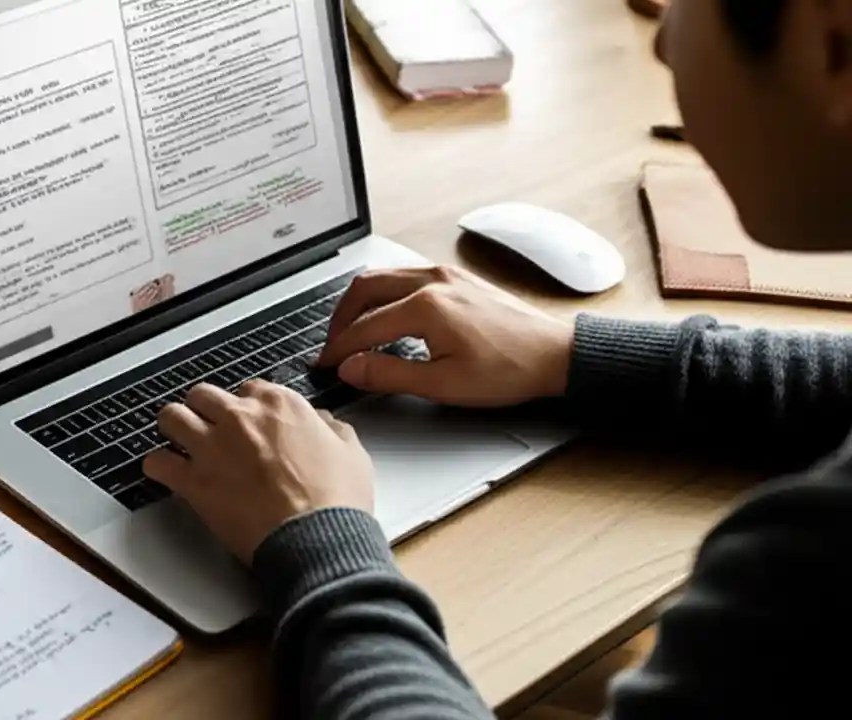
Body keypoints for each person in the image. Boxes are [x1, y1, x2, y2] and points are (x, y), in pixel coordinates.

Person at [141, 0, 852, 717]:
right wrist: (571, 355)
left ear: (834, 47)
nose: (664, 40)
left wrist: (317, 540)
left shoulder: (808, 573)